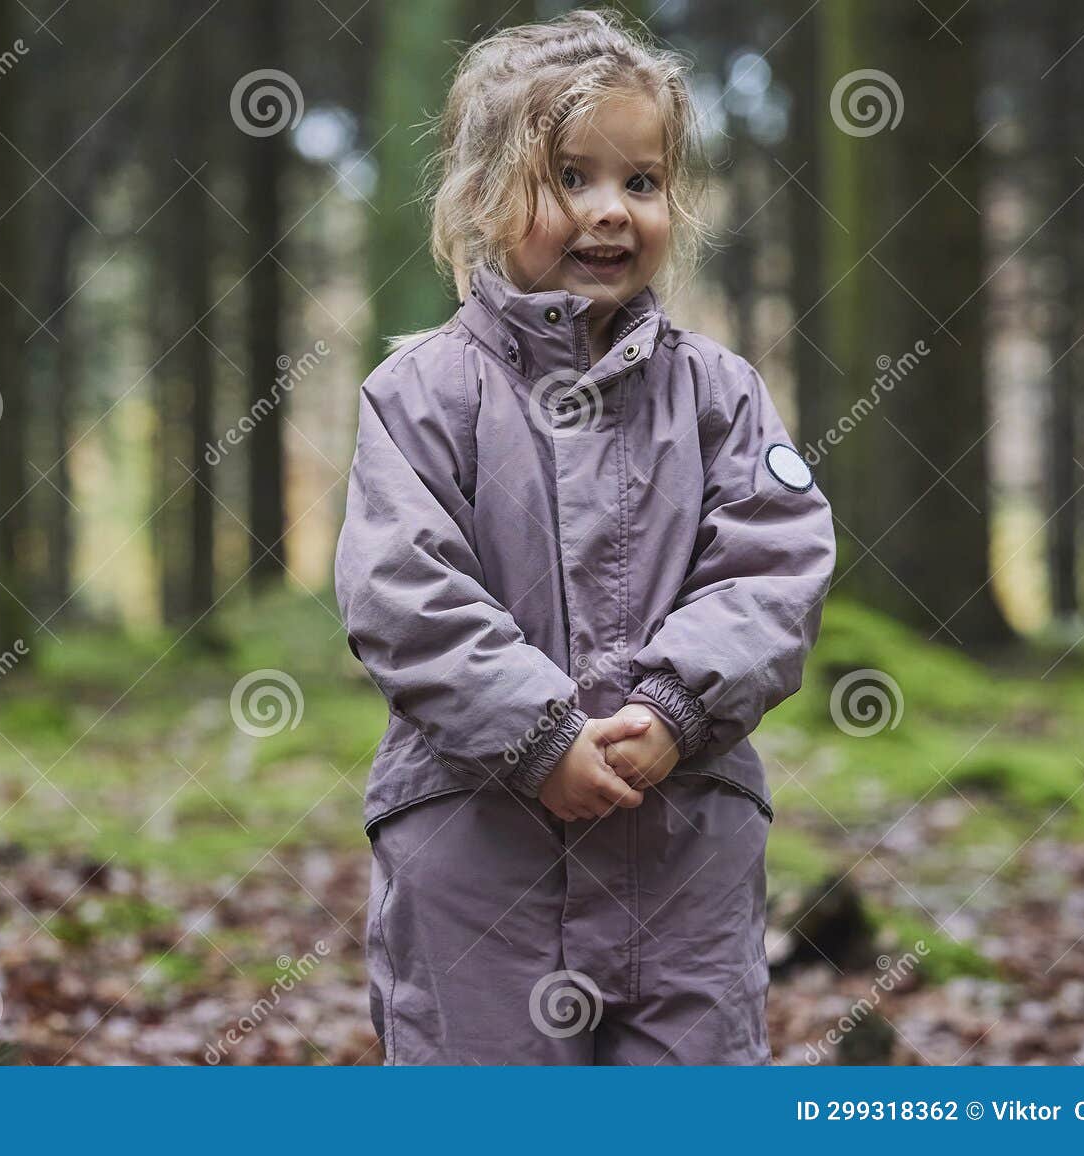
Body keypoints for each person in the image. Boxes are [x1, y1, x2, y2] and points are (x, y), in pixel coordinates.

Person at [333, 8, 836, 1064]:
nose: (611, 211)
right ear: (480, 197)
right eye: (570, 176)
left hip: (684, 850)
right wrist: (537, 734)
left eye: (641, 181)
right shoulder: (419, 396)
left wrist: (674, 704)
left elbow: (774, 564)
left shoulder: (718, 394)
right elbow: (401, 590)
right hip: (477, 851)